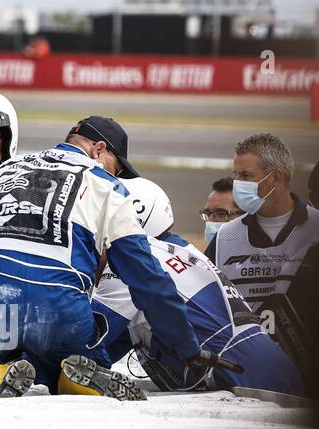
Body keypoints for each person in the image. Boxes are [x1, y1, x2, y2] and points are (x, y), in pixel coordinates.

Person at [0, 116, 239, 400]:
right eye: (118, 167)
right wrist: (187, 347)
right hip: (59, 314)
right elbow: (148, 279)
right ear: (99, 149)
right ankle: (70, 381)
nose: (120, 176)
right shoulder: (109, 187)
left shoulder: (6, 169)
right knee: (72, 360)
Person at [92, 177, 300, 395]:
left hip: (246, 377)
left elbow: (86, 341)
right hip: (264, 370)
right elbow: (108, 346)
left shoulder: (135, 264)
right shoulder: (178, 252)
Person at [206, 133, 319, 384]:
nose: (237, 184)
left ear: (276, 177)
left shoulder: (316, 229)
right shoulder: (225, 237)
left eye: (245, 176)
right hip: (245, 379)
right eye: (236, 175)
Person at [200, 176, 244, 248]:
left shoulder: (263, 256)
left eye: (221, 213)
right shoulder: (202, 258)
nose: (211, 220)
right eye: (207, 213)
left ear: (246, 215)